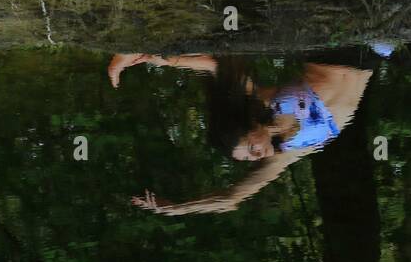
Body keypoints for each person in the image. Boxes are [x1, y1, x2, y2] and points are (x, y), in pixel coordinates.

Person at [107, 51, 374, 215]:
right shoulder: (285, 153)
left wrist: (158, 59)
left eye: (249, 149)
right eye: (250, 159)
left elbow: (216, 66)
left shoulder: (264, 101)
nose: (257, 156)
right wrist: (178, 208)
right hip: (372, 56)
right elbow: (231, 200)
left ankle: (132, 50)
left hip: (334, 48)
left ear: (250, 127)